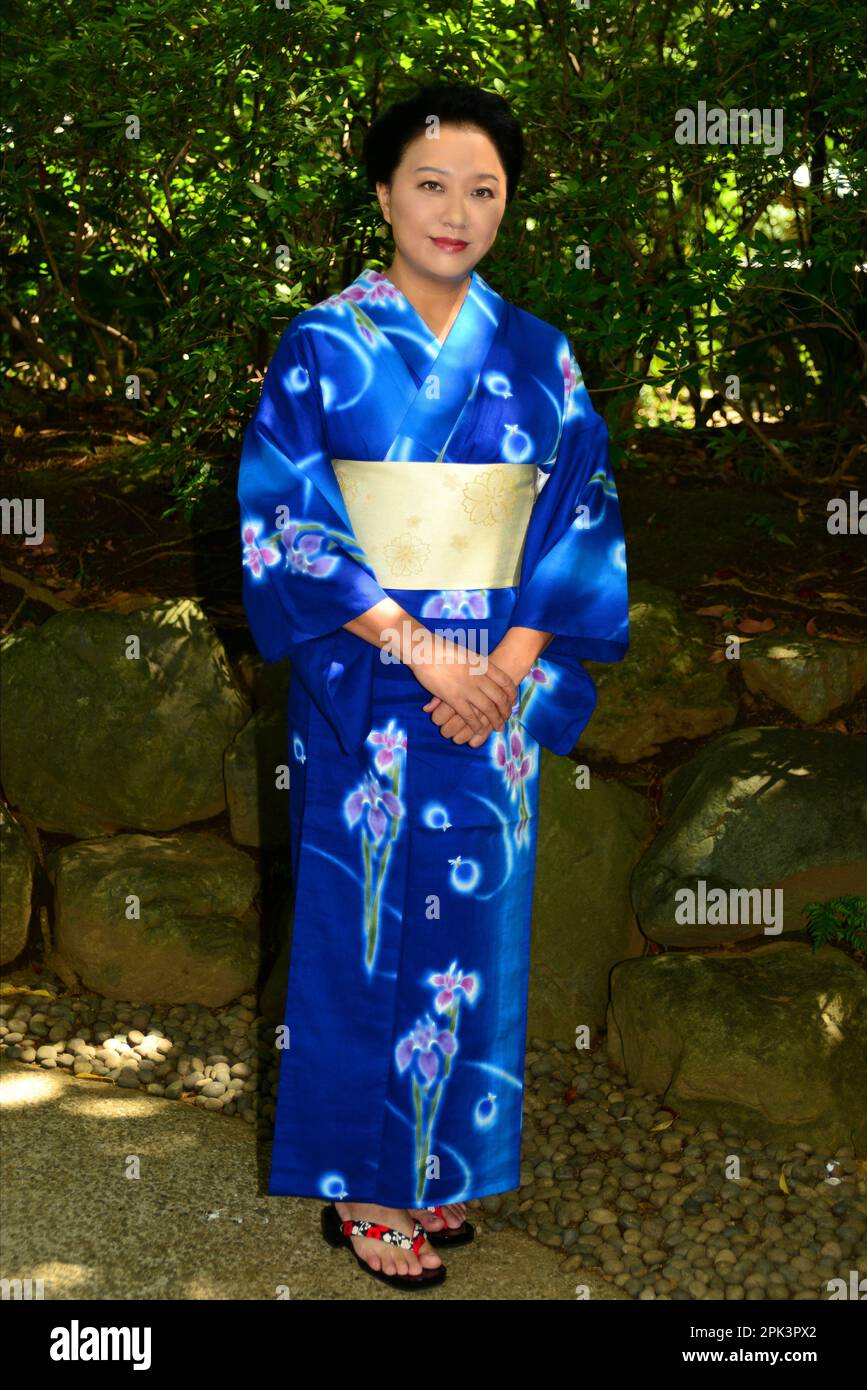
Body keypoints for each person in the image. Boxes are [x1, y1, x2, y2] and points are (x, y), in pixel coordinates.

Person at [237, 80, 629, 1291]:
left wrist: (509, 666)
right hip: (370, 672)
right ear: (383, 193)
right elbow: (283, 517)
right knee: (363, 939)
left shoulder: (540, 355)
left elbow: (582, 519)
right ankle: (363, 1189)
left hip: (496, 689)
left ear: (507, 205)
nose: (455, 210)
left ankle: (437, 1169)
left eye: (483, 189)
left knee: (474, 931)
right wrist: (421, 650)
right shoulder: (322, 345)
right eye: (431, 183)